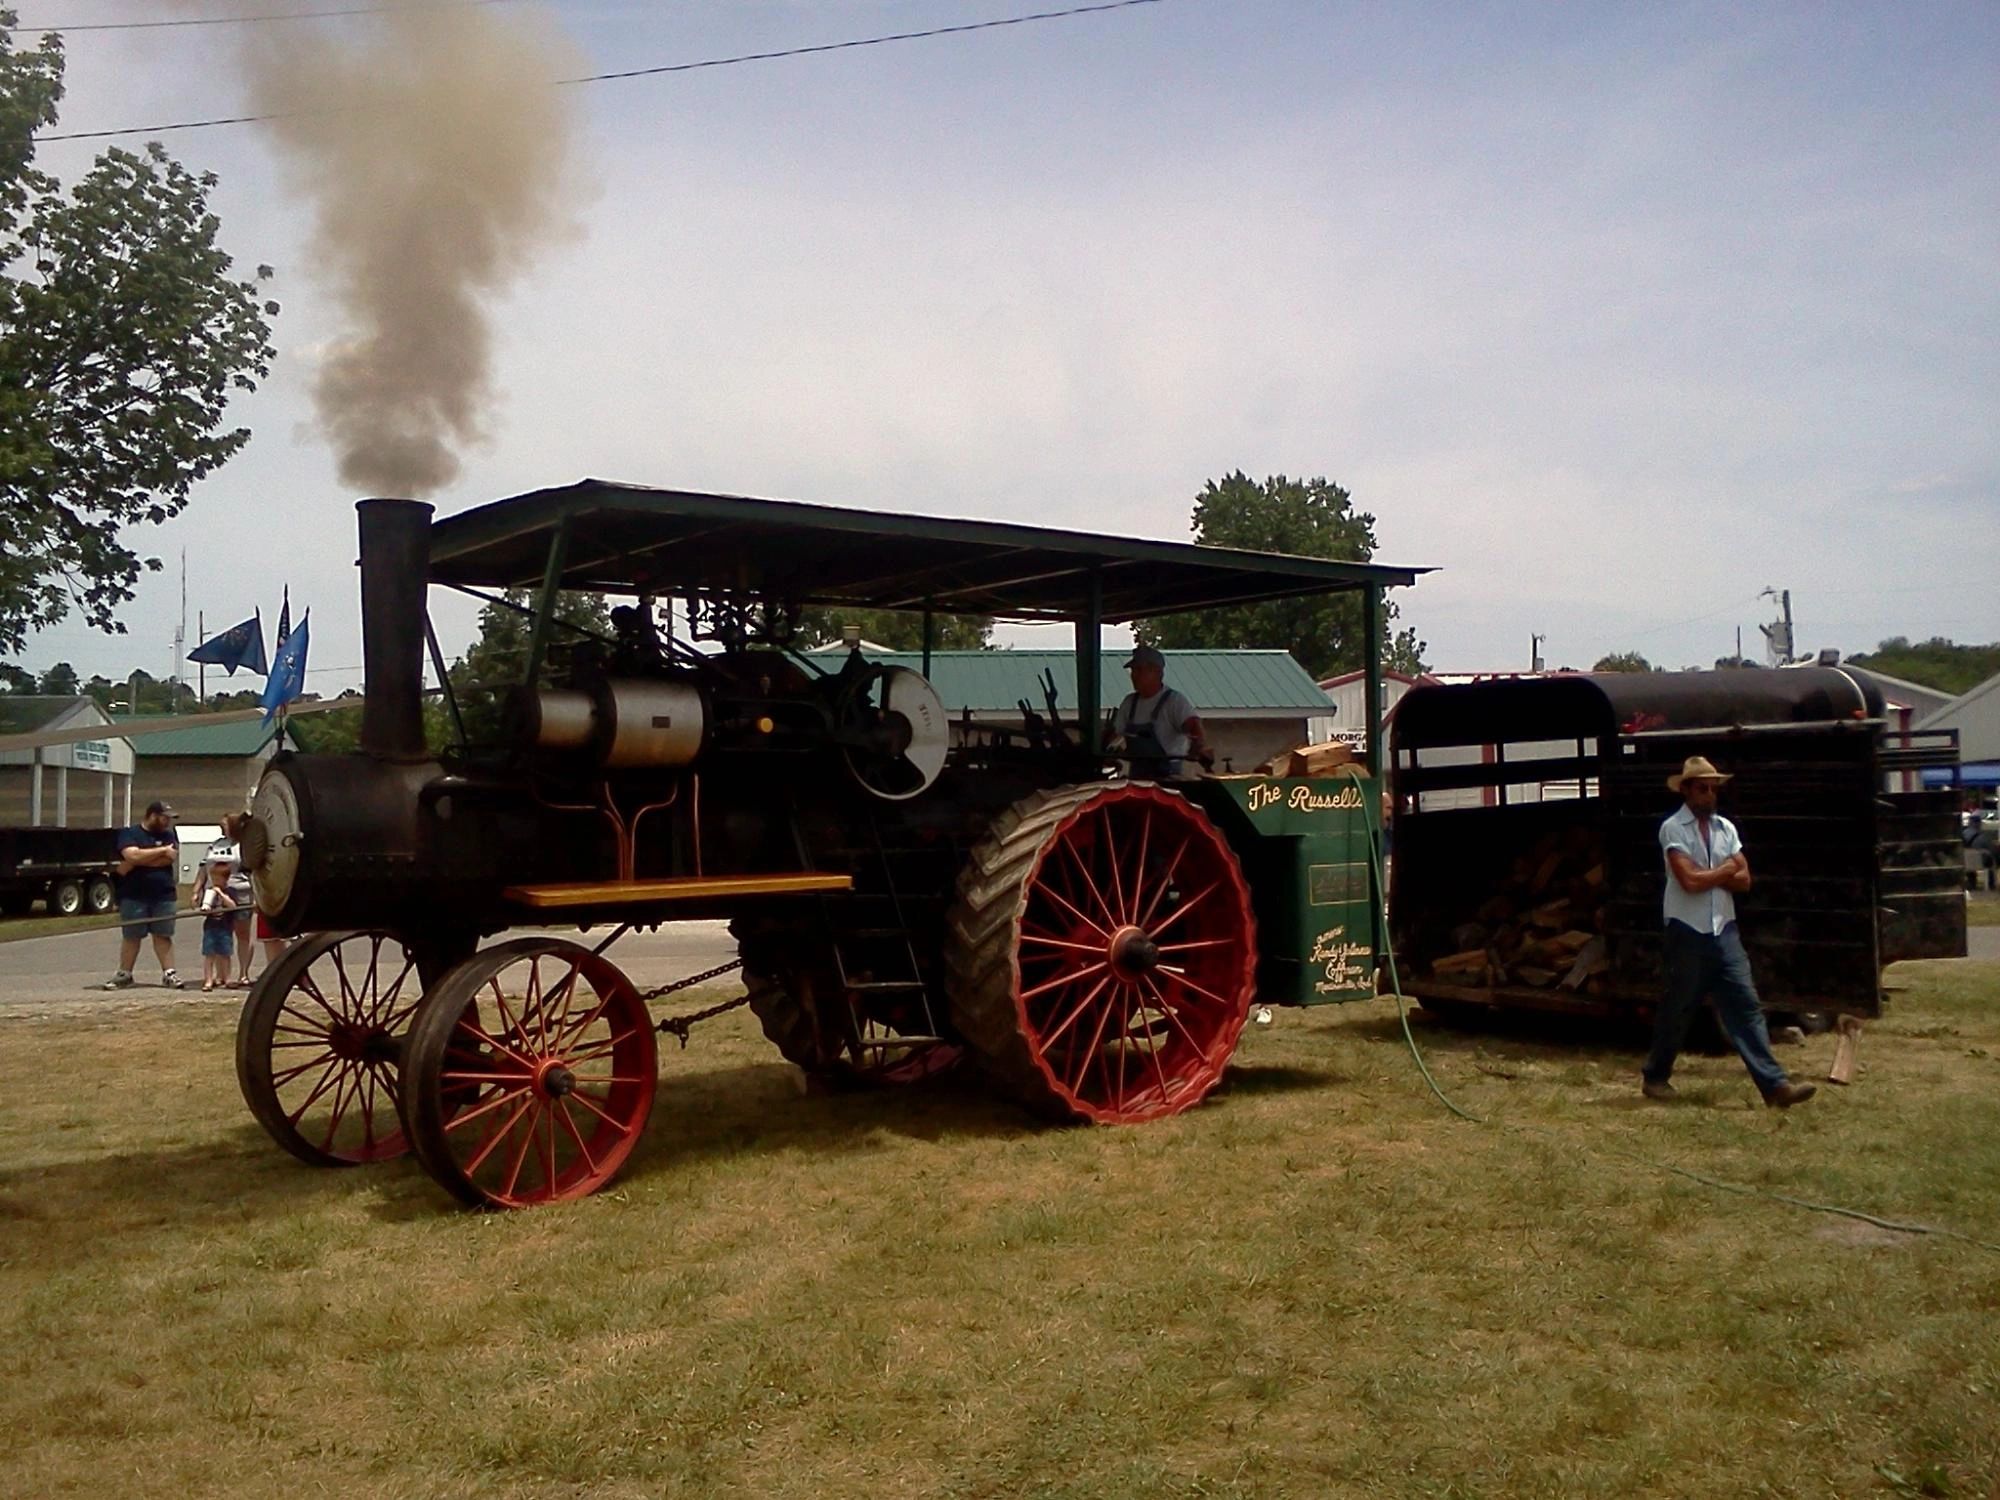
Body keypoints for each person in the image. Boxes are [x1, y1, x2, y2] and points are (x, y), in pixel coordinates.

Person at [1642, 756, 1815, 1108]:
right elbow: (1689, 882)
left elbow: (1745, 880)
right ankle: (1656, 1076)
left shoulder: (1726, 829)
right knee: (1679, 1007)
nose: (1709, 794)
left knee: (1746, 1005)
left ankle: (1774, 1086)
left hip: (1724, 930)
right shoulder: (1673, 829)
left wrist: (1715, 875)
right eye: (1702, 788)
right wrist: (1724, 871)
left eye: (1713, 788)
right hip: (1687, 931)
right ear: (1687, 790)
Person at [103, 800, 184, 991]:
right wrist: (160, 851)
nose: (167, 822)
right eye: (165, 818)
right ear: (153, 816)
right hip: (134, 894)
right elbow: (132, 856)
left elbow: (167, 859)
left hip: (163, 894)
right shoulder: (129, 833)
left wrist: (140, 859)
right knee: (132, 935)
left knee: (163, 934)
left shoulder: (169, 835)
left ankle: (169, 973)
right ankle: (125, 974)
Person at [1109, 645, 1214, 779]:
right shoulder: (1129, 703)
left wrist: (1198, 747)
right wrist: (1108, 751)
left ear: (1158, 672)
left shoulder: (1174, 701)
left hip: (1168, 778)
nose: (1134, 675)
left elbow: (1194, 726)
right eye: (1133, 670)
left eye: (1140, 670)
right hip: (1137, 778)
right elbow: (1115, 735)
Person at [194, 812, 258, 985]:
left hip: (241, 891)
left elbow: (254, 871)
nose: (222, 827)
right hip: (216, 892)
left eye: (225, 824)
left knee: (242, 934)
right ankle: (220, 975)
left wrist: (257, 897)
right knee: (219, 932)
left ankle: (243, 973)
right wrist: (197, 890)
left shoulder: (245, 846)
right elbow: (203, 868)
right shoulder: (214, 845)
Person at [199, 860, 239, 993]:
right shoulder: (208, 892)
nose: (215, 881)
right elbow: (203, 908)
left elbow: (233, 906)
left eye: (218, 878)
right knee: (209, 954)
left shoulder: (231, 891)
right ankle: (208, 979)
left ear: (225, 879)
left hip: (225, 928)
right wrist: (205, 906)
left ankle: (226, 978)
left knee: (225, 953)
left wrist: (221, 894)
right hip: (210, 927)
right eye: (213, 878)